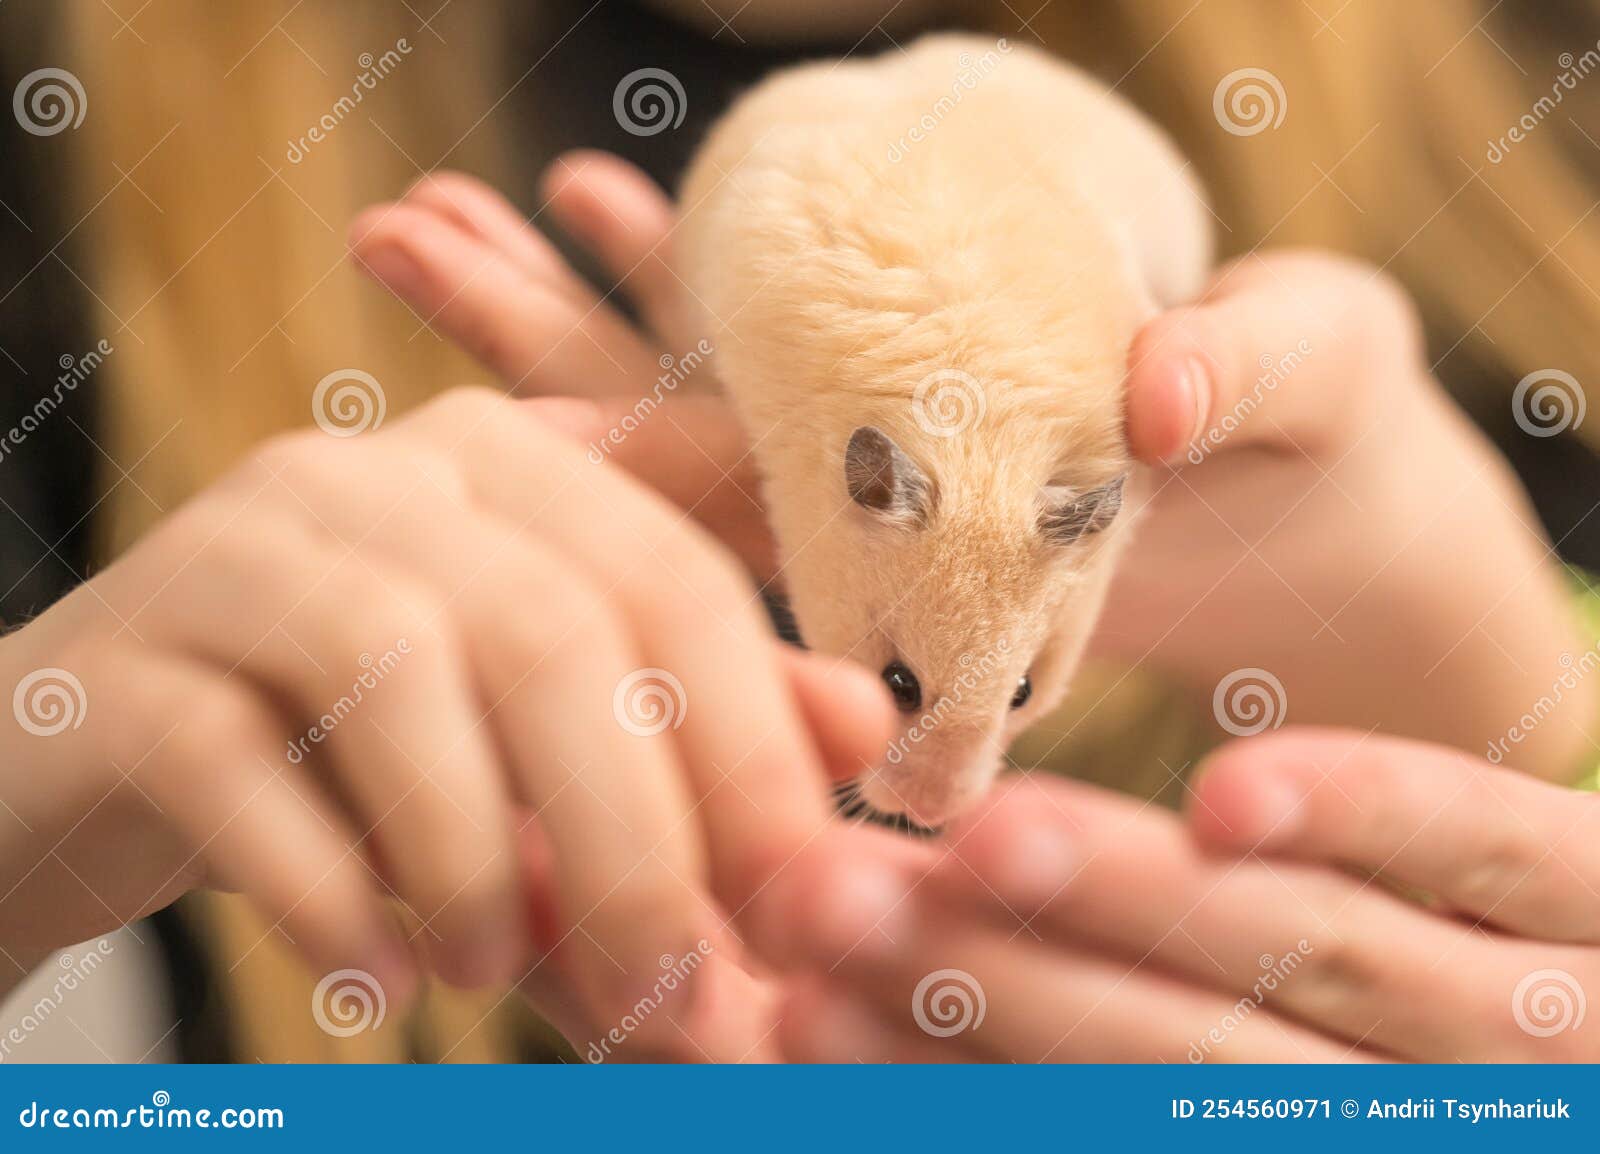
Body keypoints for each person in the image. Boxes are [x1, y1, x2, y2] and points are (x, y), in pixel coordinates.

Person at [0, 0, 1596, 1063]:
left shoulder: (1511, 103)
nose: (937, 784)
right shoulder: (71, 159)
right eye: (911, 693)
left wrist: (1494, 691)